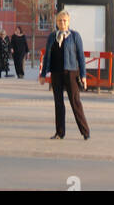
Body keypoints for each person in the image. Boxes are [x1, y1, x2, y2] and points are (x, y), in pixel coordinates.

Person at [39, 11, 90, 141]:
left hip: (71, 73)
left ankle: (85, 131)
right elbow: (47, 57)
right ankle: (59, 133)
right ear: (56, 22)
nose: (62, 23)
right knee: (58, 103)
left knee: (75, 101)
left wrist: (83, 75)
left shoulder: (74, 36)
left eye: (64, 20)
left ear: (68, 22)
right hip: (56, 73)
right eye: (60, 20)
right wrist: (43, 74)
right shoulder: (52, 37)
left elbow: (81, 57)